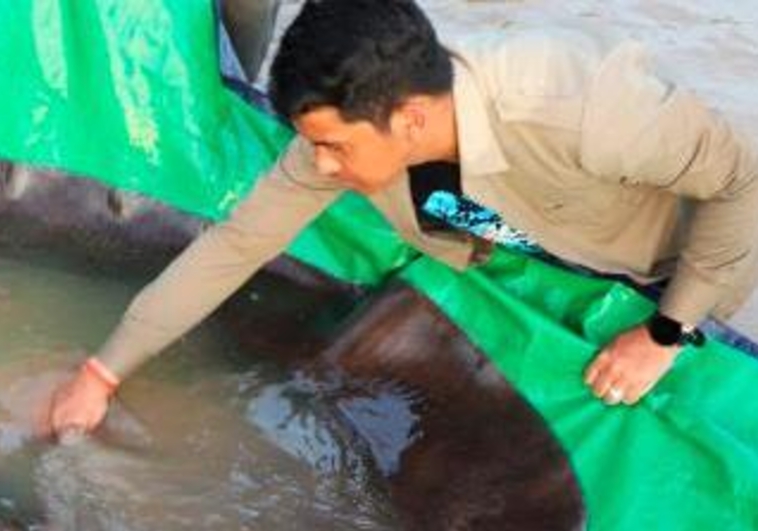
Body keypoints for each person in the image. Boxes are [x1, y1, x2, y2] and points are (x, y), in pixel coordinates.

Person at [49, 0, 758, 436]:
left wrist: (668, 331)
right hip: (526, 251)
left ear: (410, 117)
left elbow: (744, 183)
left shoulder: (577, 106)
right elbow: (235, 246)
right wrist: (102, 371)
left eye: (334, 146)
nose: (321, 168)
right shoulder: (345, 137)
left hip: (671, 270)